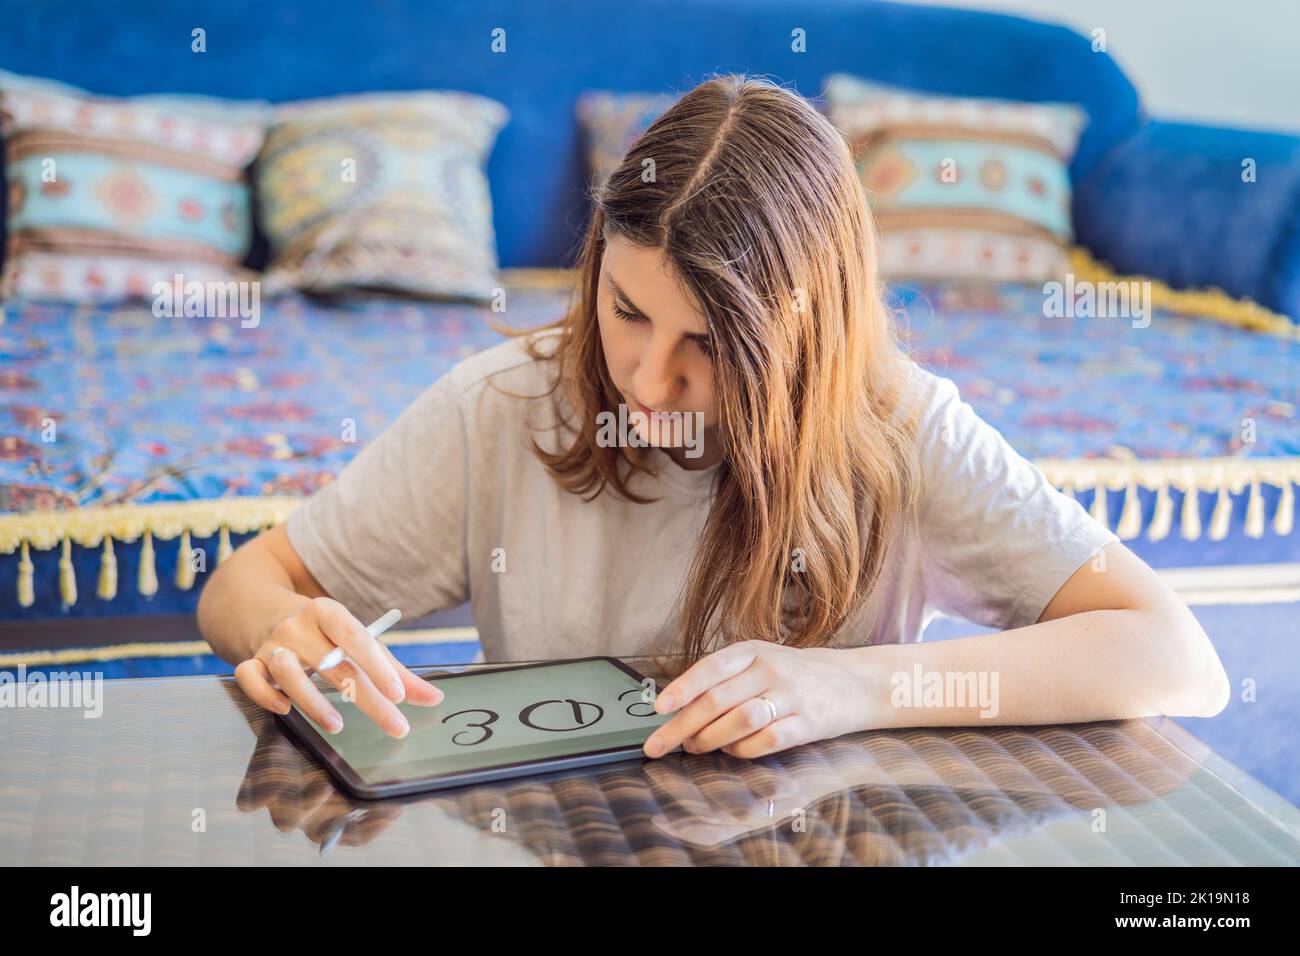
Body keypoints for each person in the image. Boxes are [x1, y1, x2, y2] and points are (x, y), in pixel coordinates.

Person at [199, 75, 1229, 761]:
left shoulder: (898, 427)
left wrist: (850, 688)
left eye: (709, 346)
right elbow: (244, 582)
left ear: (803, 340)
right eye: (627, 312)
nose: (647, 382)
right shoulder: (502, 405)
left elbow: (1175, 656)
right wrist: (284, 630)